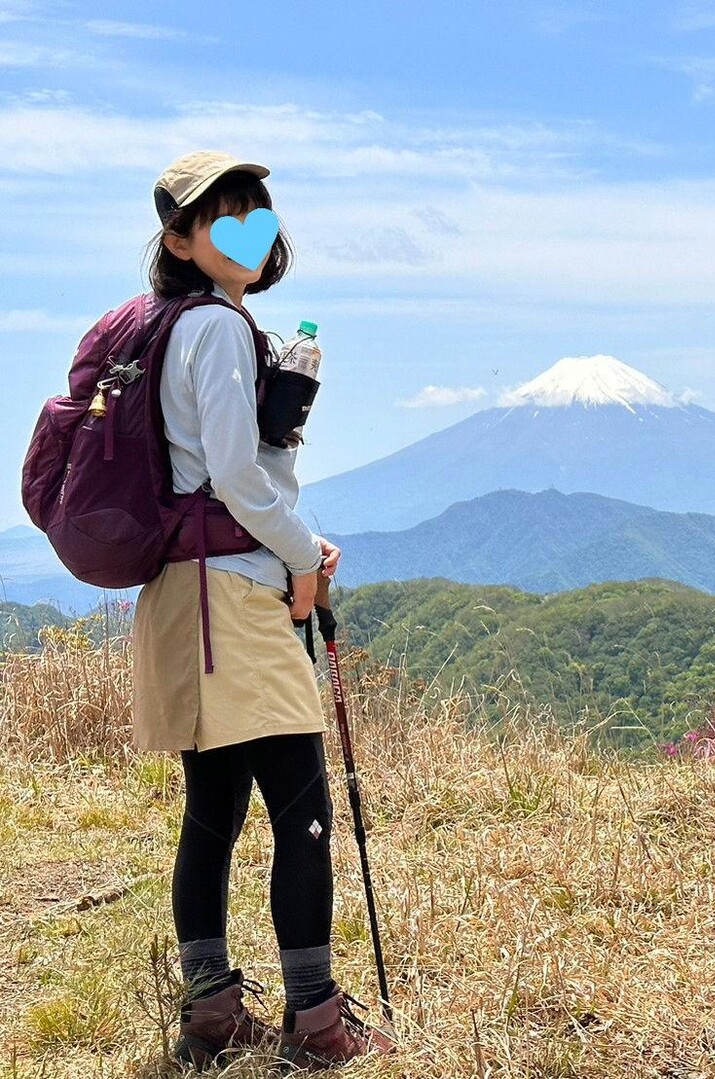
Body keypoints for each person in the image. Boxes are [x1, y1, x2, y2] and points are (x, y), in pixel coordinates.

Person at [130, 150, 393, 1069]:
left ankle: (210, 1014)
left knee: (213, 809)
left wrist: (297, 541)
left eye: (257, 212)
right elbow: (240, 478)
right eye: (224, 217)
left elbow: (229, 474)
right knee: (302, 806)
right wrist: (303, 558)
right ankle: (316, 1022)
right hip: (232, 597)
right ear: (179, 241)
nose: (250, 230)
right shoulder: (215, 328)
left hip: (188, 590)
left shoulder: (180, 327)